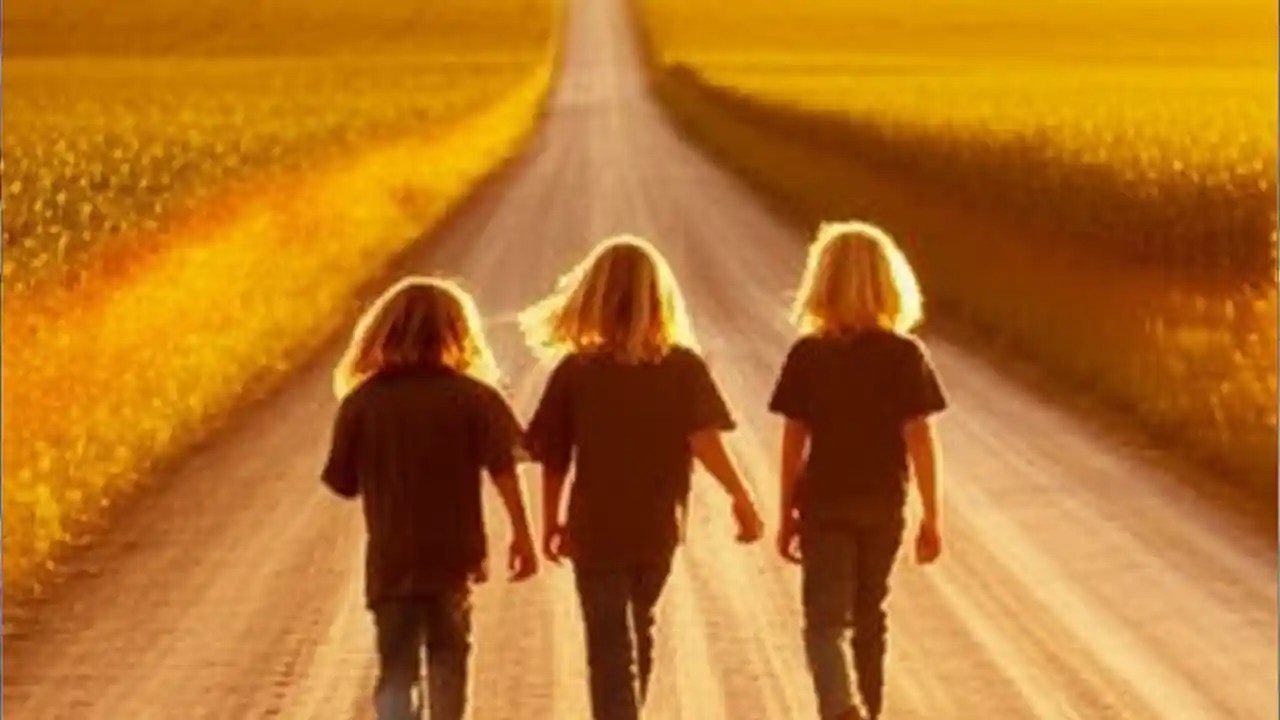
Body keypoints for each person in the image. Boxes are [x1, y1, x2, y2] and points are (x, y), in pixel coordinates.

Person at [520, 235, 765, 720]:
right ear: (660, 298)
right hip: (657, 527)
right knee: (637, 629)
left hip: (595, 527)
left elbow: (554, 457)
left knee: (611, 642)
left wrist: (551, 520)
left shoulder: (576, 371)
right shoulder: (682, 368)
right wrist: (740, 495)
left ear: (593, 297)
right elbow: (704, 440)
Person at [321, 277, 538, 720]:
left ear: (382, 332)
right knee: (448, 660)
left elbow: (342, 483)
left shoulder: (362, 403)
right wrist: (522, 535)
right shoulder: (475, 397)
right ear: (457, 333)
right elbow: (505, 470)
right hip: (453, 557)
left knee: (397, 668)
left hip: (392, 560)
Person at [769, 221, 947, 720]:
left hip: (824, 503)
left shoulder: (809, 354)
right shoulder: (905, 355)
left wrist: (786, 512)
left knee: (825, 624)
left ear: (821, 282)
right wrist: (931, 514)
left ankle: (842, 708)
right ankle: (866, 710)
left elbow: (793, 442)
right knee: (869, 619)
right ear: (889, 282)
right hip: (883, 504)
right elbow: (920, 438)